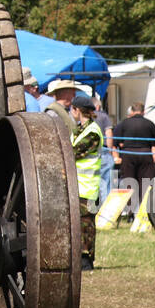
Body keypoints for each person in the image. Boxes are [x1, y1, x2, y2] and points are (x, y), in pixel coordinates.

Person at [70, 92, 103, 270]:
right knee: (78, 224)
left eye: (71, 109)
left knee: (87, 225)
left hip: (89, 187)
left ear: (77, 110)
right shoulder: (80, 130)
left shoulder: (93, 132)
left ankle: (87, 260)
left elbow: (73, 152)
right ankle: (79, 258)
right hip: (78, 185)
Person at [112, 102, 155, 204]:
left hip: (128, 154)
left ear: (132, 111)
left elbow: (114, 143)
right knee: (146, 184)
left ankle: (130, 211)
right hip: (145, 154)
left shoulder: (123, 123)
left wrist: (116, 157)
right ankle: (145, 210)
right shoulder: (150, 123)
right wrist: (153, 158)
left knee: (129, 182)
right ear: (143, 112)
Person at [94, 93, 116, 204]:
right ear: (98, 106)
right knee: (106, 181)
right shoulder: (103, 116)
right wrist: (110, 150)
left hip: (89, 153)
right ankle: (105, 208)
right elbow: (109, 134)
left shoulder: (83, 117)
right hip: (102, 150)